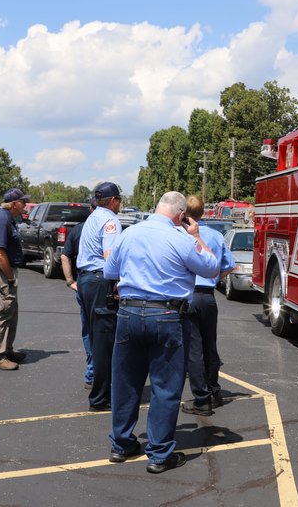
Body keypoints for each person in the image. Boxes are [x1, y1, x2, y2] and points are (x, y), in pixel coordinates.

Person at [104, 191, 219, 474]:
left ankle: (121, 445)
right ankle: (159, 454)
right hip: (167, 315)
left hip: (129, 313)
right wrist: (197, 235)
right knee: (166, 386)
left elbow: (109, 271)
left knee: (125, 382)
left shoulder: (129, 233)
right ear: (182, 216)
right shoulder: (181, 238)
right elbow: (212, 267)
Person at [180, 195, 234, 416]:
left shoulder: (180, 234)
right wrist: (216, 277)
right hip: (208, 296)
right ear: (203, 213)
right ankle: (214, 391)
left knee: (193, 349)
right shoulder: (215, 235)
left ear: (184, 213)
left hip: (189, 294)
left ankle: (201, 399)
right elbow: (230, 265)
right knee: (210, 346)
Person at [76, 182, 122, 411]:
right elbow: (110, 258)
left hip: (85, 279)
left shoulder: (92, 218)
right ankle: (101, 397)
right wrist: (118, 284)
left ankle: (99, 388)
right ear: (113, 200)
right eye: (120, 199)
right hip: (99, 280)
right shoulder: (110, 220)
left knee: (95, 339)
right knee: (105, 341)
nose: (120, 203)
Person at [0, 188, 29, 371]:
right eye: (23, 202)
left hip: (7, 272)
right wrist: (10, 277)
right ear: (13, 204)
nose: (25, 205)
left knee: (11, 311)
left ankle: (6, 350)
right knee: (3, 311)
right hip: (3, 273)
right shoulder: (3, 220)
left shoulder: (7, 218)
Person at [61, 197, 95, 389]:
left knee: (89, 330)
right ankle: (100, 373)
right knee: (105, 332)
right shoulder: (110, 228)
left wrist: (71, 281)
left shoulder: (78, 229)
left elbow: (65, 255)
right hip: (102, 286)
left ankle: (91, 372)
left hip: (84, 284)